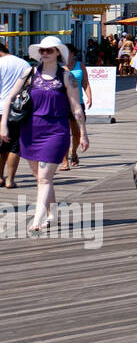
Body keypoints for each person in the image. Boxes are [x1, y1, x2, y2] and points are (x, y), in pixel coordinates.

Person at [0, 37, 88, 233]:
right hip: (30, 130)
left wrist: (83, 133)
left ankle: (38, 219)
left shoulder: (66, 77)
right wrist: (3, 125)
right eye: (42, 50)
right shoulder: (29, 72)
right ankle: (53, 214)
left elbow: (76, 108)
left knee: (44, 178)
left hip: (56, 131)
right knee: (40, 177)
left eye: (49, 50)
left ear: (58, 52)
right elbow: (8, 99)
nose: (45, 53)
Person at [0, 40, 33, 189]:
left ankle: (0, 177)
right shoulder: (23, 64)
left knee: (1, 146)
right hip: (18, 110)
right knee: (14, 146)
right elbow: (30, 86)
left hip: (1, 109)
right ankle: (10, 180)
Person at [61, 45, 92, 170]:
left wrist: (89, 96)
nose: (65, 56)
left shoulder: (80, 65)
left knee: (76, 133)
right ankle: (64, 161)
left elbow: (85, 82)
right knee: (63, 133)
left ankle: (73, 153)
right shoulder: (58, 67)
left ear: (73, 53)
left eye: (68, 53)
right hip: (62, 103)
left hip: (77, 103)